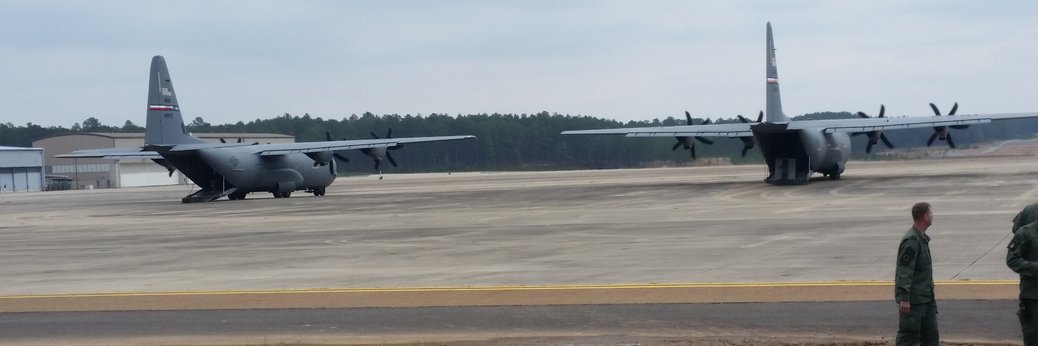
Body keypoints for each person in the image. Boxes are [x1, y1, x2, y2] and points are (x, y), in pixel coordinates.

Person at [895, 201, 938, 345]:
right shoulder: (912, 240)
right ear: (925, 217)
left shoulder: (922, 238)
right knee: (909, 336)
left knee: (931, 337)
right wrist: (904, 298)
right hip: (914, 301)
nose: (933, 216)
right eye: (931, 213)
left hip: (926, 298)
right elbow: (904, 271)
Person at [1007, 220, 1038, 345]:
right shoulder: (1026, 233)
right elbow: (1012, 260)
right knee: (1034, 338)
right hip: (1033, 297)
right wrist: (1036, 268)